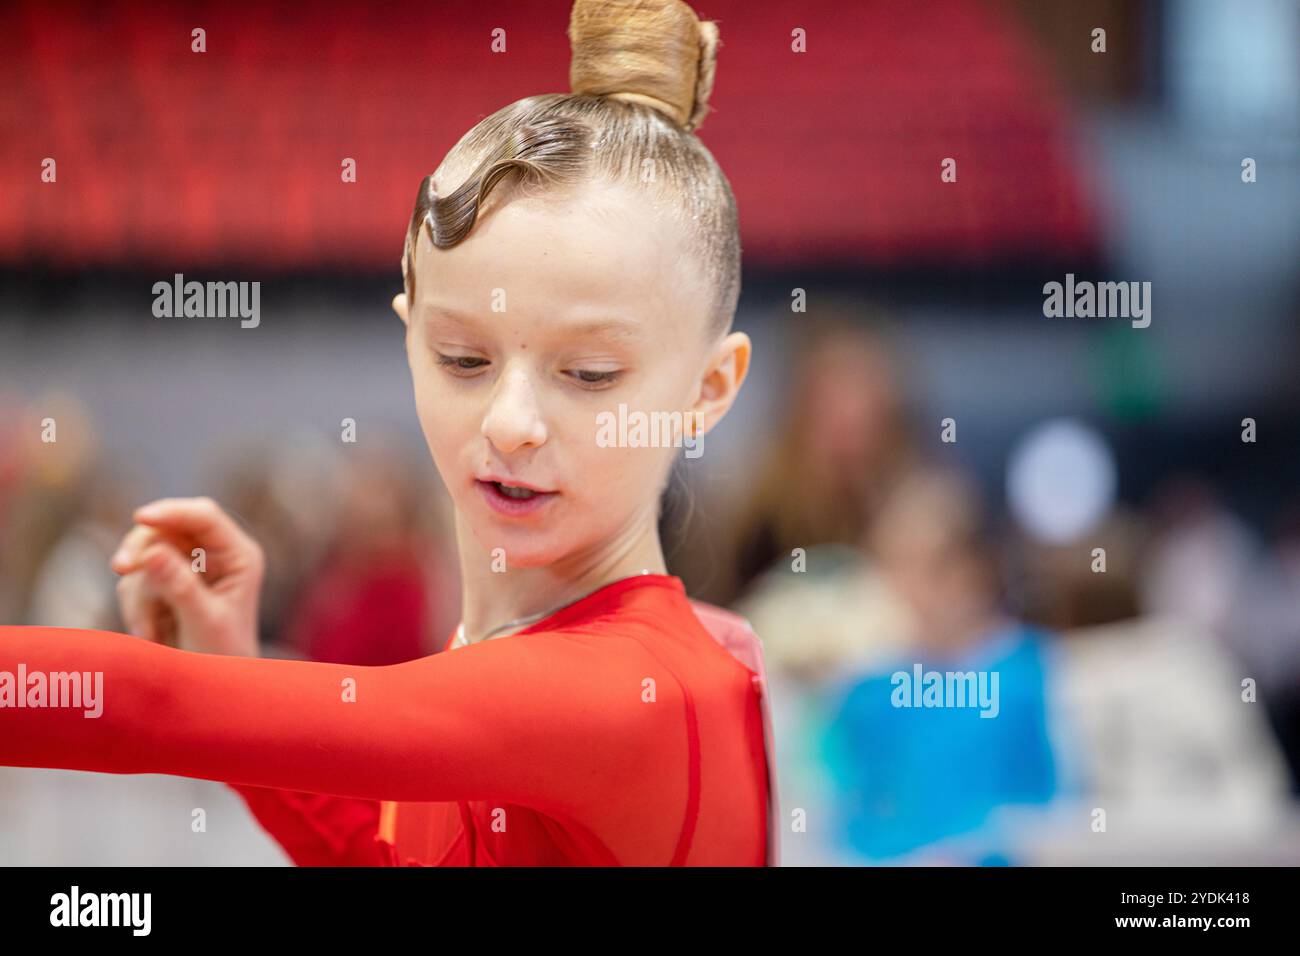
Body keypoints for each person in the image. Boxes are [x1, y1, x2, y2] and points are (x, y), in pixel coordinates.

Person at [0, 0, 774, 866]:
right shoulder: (530, 650)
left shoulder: (628, 693)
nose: (511, 424)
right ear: (407, 333)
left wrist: (222, 685)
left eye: (588, 375)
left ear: (710, 389)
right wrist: (235, 659)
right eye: (461, 359)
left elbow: (148, 707)